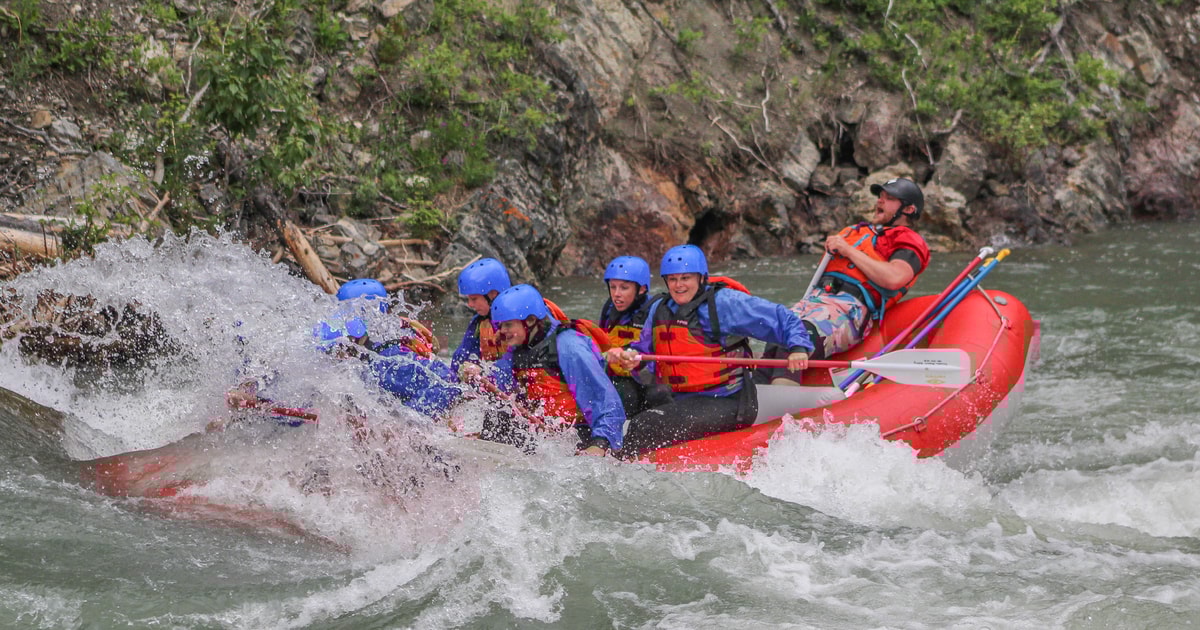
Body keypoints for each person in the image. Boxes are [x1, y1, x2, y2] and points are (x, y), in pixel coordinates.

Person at [608, 245, 812, 456]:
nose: (678, 285)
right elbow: (644, 352)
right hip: (681, 398)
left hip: (728, 402)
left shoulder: (724, 303)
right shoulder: (659, 309)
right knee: (633, 408)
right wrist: (632, 358)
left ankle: (625, 468)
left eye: (685, 278)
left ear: (701, 277)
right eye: (672, 279)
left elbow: (782, 318)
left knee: (644, 425)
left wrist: (798, 348)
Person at [758, 177, 932, 384]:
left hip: (851, 311)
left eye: (889, 198)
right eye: (880, 197)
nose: (880, 201)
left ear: (909, 209)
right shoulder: (856, 232)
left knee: (799, 337)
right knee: (775, 338)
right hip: (817, 301)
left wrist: (847, 250)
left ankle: (781, 404)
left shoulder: (907, 239)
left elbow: (894, 278)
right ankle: (756, 401)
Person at [485, 284, 625, 456]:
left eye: (508, 325)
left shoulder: (569, 347)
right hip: (543, 431)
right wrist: (477, 374)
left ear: (529, 321)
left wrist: (600, 444)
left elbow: (604, 400)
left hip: (578, 434)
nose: (502, 331)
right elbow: (499, 380)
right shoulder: (520, 347)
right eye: (500, 326)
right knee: (497, 416)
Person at [596, 255, 668, 416]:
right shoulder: (609, 308)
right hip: (619, 377)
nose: (616, 294)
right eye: (613, 287)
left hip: (647, 378)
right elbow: (601, 341)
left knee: (656, 395)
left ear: (641, 289)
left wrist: (630, 355)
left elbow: (653, 350)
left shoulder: (656, 310)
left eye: (624, 288)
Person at [450, 258, 512, 377]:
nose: (470, 304)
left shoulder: (521, 324)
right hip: (495, 381)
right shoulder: (479, 323)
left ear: (493, 294)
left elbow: (514, 363)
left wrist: (484, 374)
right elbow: (460, 359)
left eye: (474, 299)